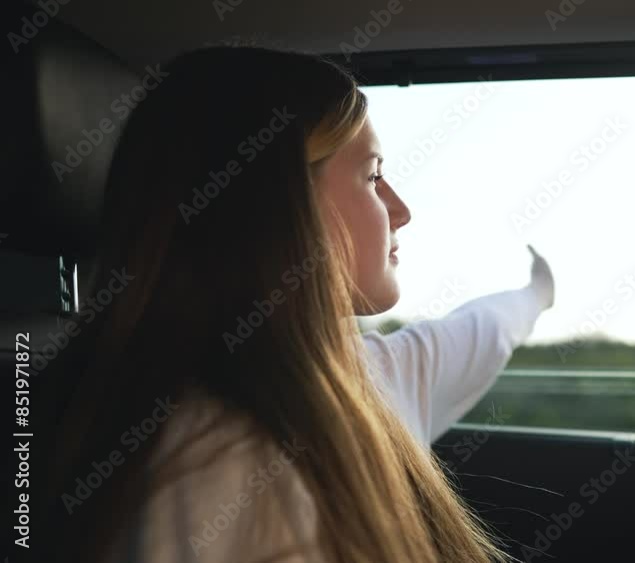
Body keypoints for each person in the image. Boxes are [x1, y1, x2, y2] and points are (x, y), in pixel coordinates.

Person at [35, 46, 554, 563]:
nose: (402, 210)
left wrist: (536, 295)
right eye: (373, 177)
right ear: (279, 204)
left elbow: (482, 329)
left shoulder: (365, 375)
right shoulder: (226, 460)